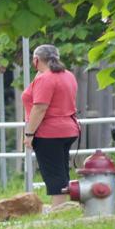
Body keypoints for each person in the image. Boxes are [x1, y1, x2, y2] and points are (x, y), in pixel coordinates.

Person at [19, 43, 80, 209]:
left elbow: (39, 108)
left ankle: (58, 211)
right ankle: (66, 207)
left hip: (49, 132)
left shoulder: (45, 78)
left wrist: (29, 134)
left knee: (53, 174)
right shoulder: (68, 75)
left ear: (36, 60)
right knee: (61, 171)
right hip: (69, 129)